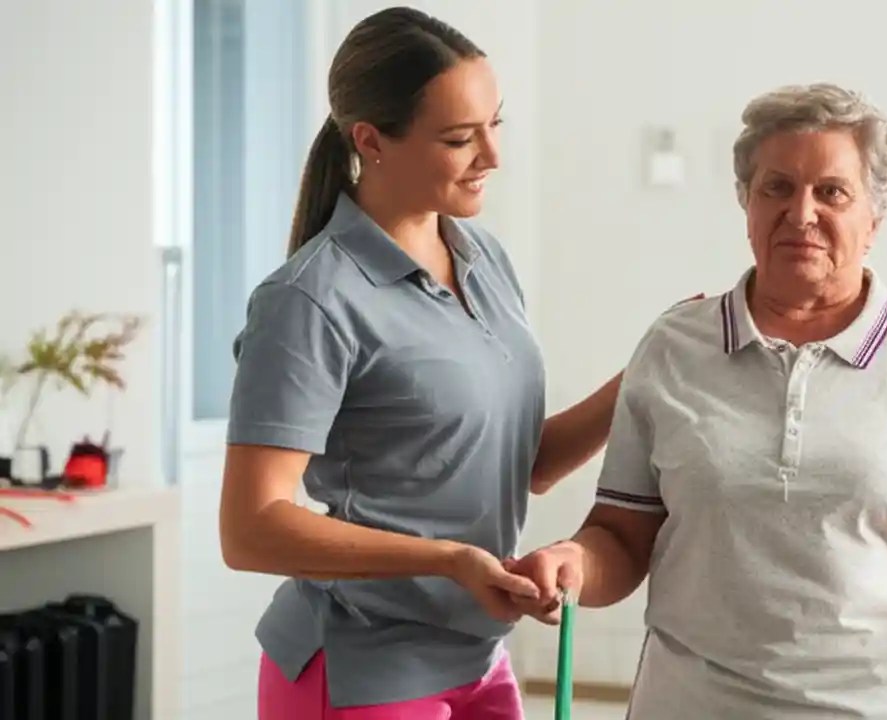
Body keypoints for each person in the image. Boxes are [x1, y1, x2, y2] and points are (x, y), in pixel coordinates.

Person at [508, 83, 887, 719]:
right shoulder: (673, 346)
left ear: (874, 219)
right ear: (746, 204)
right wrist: (572, 563)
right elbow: (621, 537)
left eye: (831, 192)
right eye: (776, 187)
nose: (800, 212)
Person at [218, 8, 625, 719]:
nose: (492, 155)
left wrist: (644, 378)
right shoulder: (309, 300)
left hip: (479, 659)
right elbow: (250, 529)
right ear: (371, 141)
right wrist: (447, 559)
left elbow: (513, 462)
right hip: (361, 668)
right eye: (460, 138)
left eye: (496, 124)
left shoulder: (483, 259)